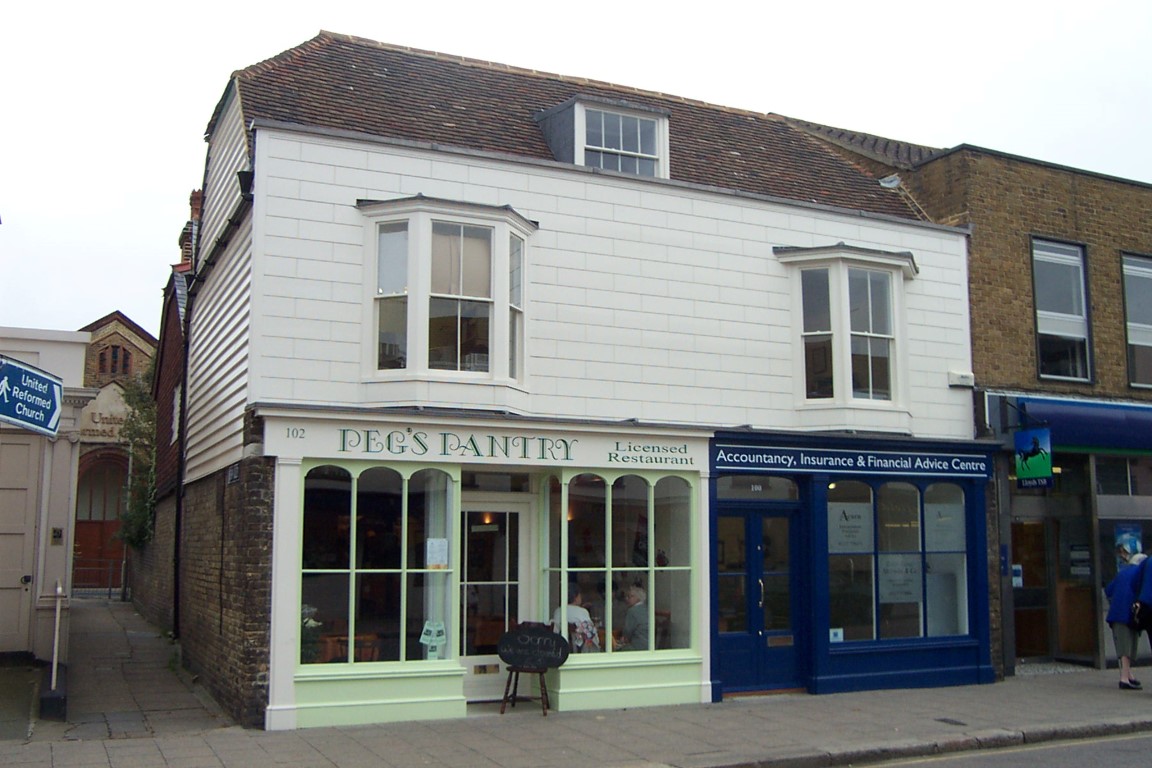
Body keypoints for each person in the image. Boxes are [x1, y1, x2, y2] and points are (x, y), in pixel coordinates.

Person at [1106, 552, 1148, 689]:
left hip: (1118, 614)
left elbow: (1108, 590)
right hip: (1132, 614)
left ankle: (1128, 675)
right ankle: (1124, 678)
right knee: (1129, 647)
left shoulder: (1122, 573)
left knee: (1124, 645)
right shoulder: (1142, 573)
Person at [552, 582, 600, 653]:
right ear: (576, 597)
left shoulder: (558, 611)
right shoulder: (582, 612)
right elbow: (592, 634)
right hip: (580, 651)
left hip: (561, 649)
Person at [616, 584, 649, 651]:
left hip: (637, 646)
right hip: (649, 646)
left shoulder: (632, 611)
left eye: (630, 596)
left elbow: (627, 632)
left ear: (638, 598)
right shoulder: (646, 608)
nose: (626, 598)